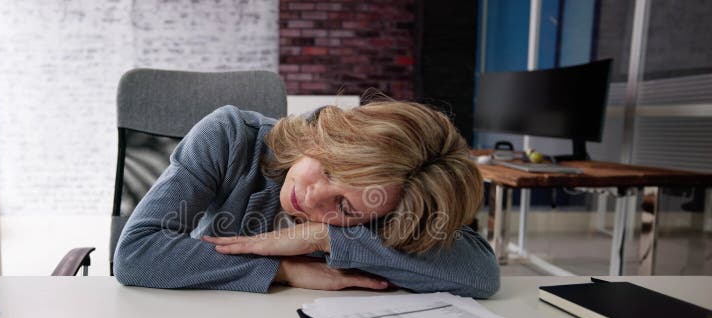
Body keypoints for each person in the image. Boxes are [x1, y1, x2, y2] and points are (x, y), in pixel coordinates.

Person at [113, 98, 500, 298]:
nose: (312, 197)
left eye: (345, 208)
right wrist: (286, 270)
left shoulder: (390, 199)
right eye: (330, 169)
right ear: (330, 137)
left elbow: (481, 274)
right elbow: (136, 255)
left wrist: (324, 236)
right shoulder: (228, 134)